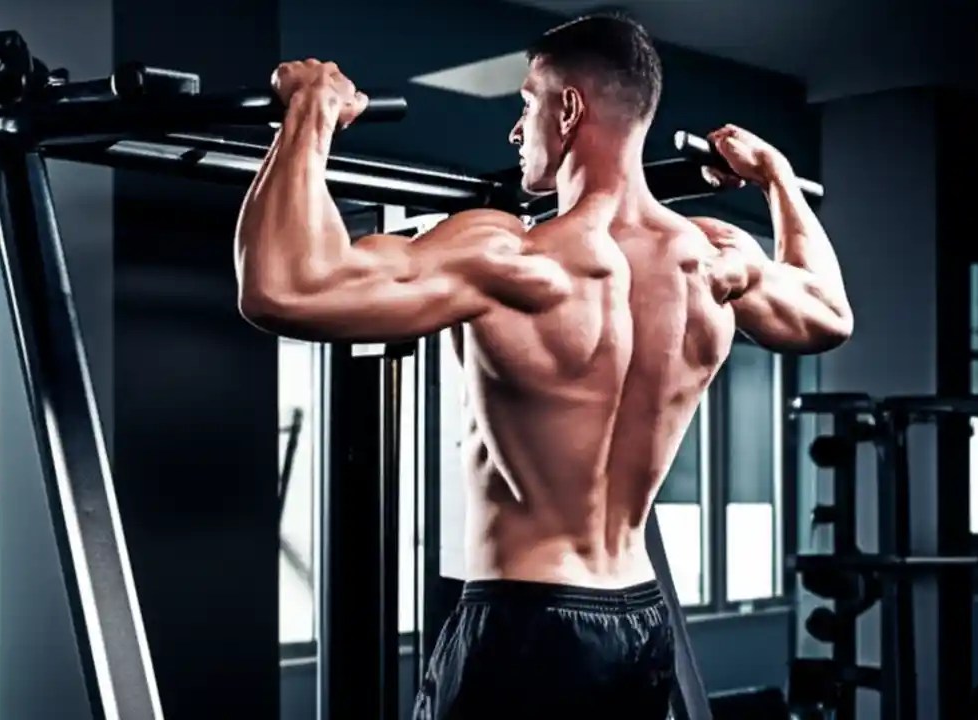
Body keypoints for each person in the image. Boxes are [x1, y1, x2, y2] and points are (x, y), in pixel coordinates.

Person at [235, 10, 853, 719]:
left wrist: (310, 115)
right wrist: (776, 178)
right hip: (640, 617)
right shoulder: (712, 260)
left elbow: (284, 287)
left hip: (525, 620)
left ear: (567, 108)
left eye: (525, 105)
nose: (515, 130)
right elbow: (828, 313)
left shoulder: (516, 259)